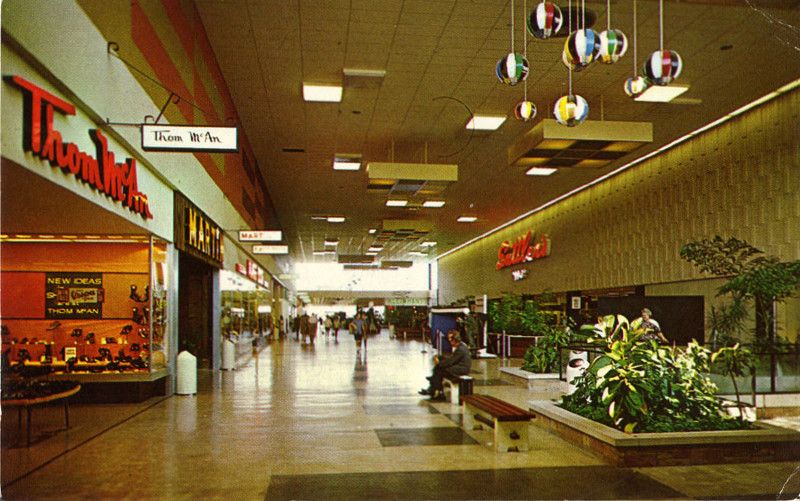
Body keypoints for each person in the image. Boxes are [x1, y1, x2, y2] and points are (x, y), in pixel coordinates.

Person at [419, 330, 471, 401]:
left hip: (461, 369)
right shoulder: (461, 345)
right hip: (458, 366)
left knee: (440, 370)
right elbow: (453, 359)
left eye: (450, 340)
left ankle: (434, 388)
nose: (450, 342)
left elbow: (451, 361)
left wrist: (439, 363)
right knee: (439, 366)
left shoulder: (460, 349)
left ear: (455, 339)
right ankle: (433, 386)